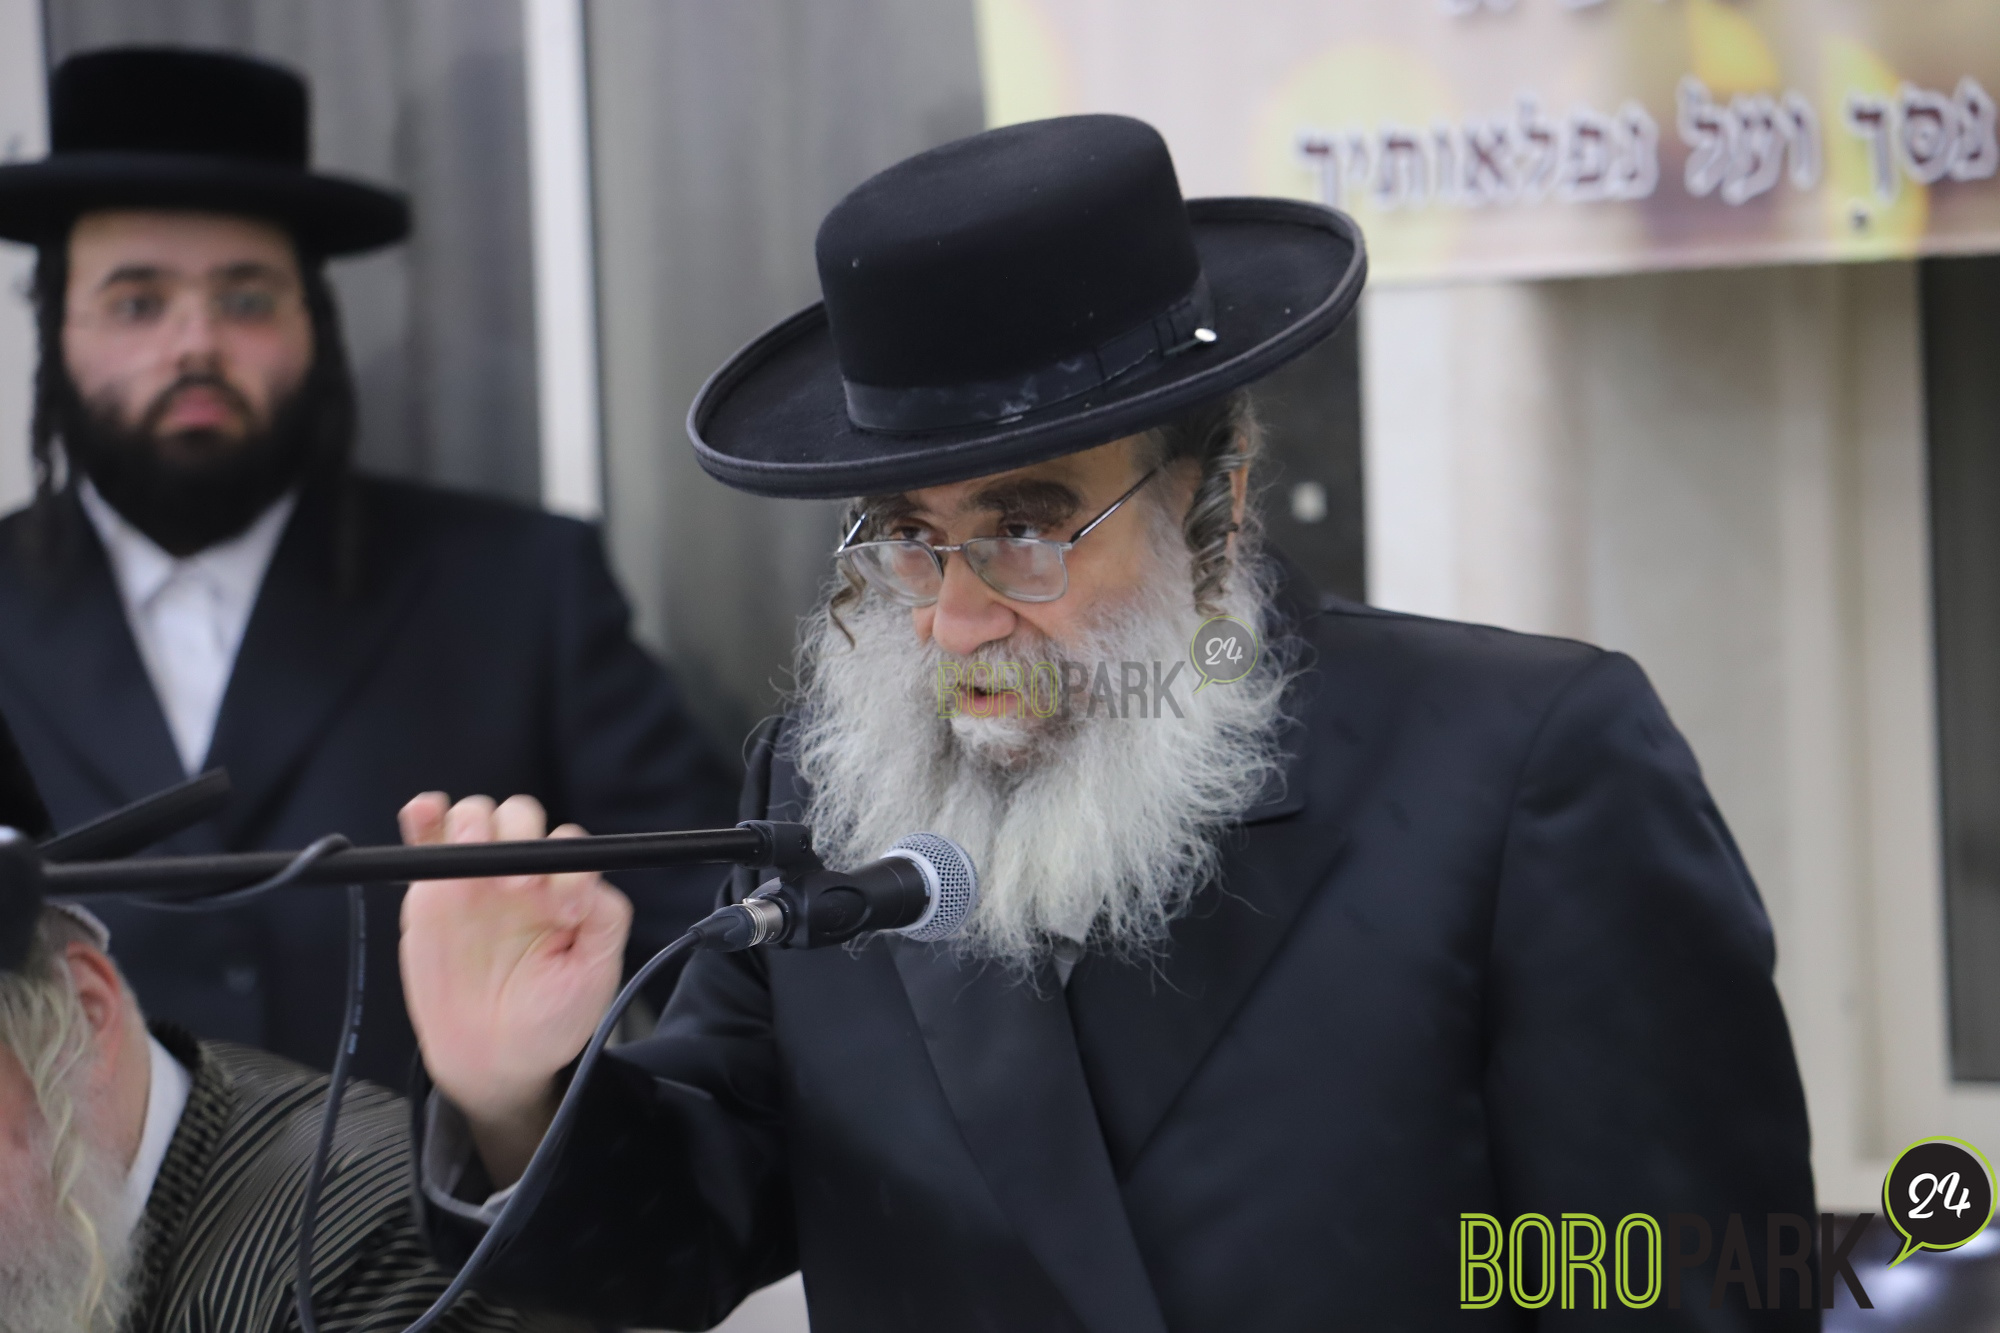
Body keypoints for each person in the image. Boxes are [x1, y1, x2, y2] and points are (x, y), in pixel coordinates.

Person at [398, 115, 1817, 1329]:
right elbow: (692, 1221)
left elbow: (1683, 1280)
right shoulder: (829, 807)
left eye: (1027, 525)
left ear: (1220, 500)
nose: (955, 619)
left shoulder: (1523, 767)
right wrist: (517, 1099)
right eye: (905, 535)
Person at [0, 48, 734, 1089]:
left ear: (315, 327)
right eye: (136, 302)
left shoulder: (518, 589)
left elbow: (725, 930)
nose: (195, 345)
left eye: (246, 299)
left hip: (436, 1241)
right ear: (56, 334)